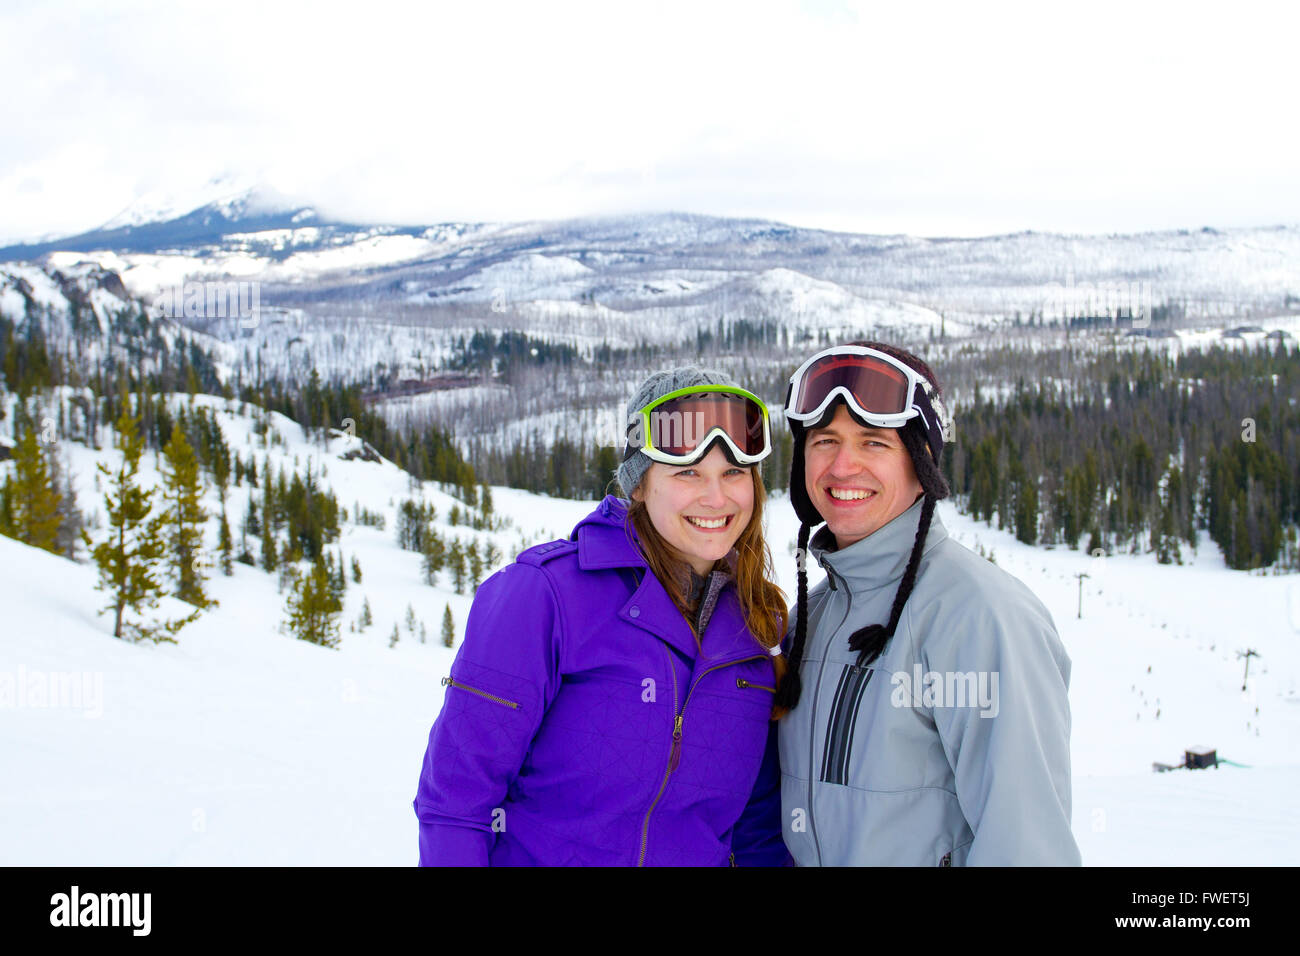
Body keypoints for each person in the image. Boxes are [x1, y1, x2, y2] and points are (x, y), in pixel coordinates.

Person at [413, 367, 792, 865]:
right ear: (638, 485)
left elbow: (757, 828)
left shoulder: (757, 627)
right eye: (687, 473)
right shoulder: (545, 595)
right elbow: (457, 802)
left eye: (733, 473)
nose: (715, 498)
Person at [773, 341, 1080, 866]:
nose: (842, 466)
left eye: (873, 443)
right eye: (824, 440)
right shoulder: (809, 619)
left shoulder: (981, 617)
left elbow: (1027, 847)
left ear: (921, 463)